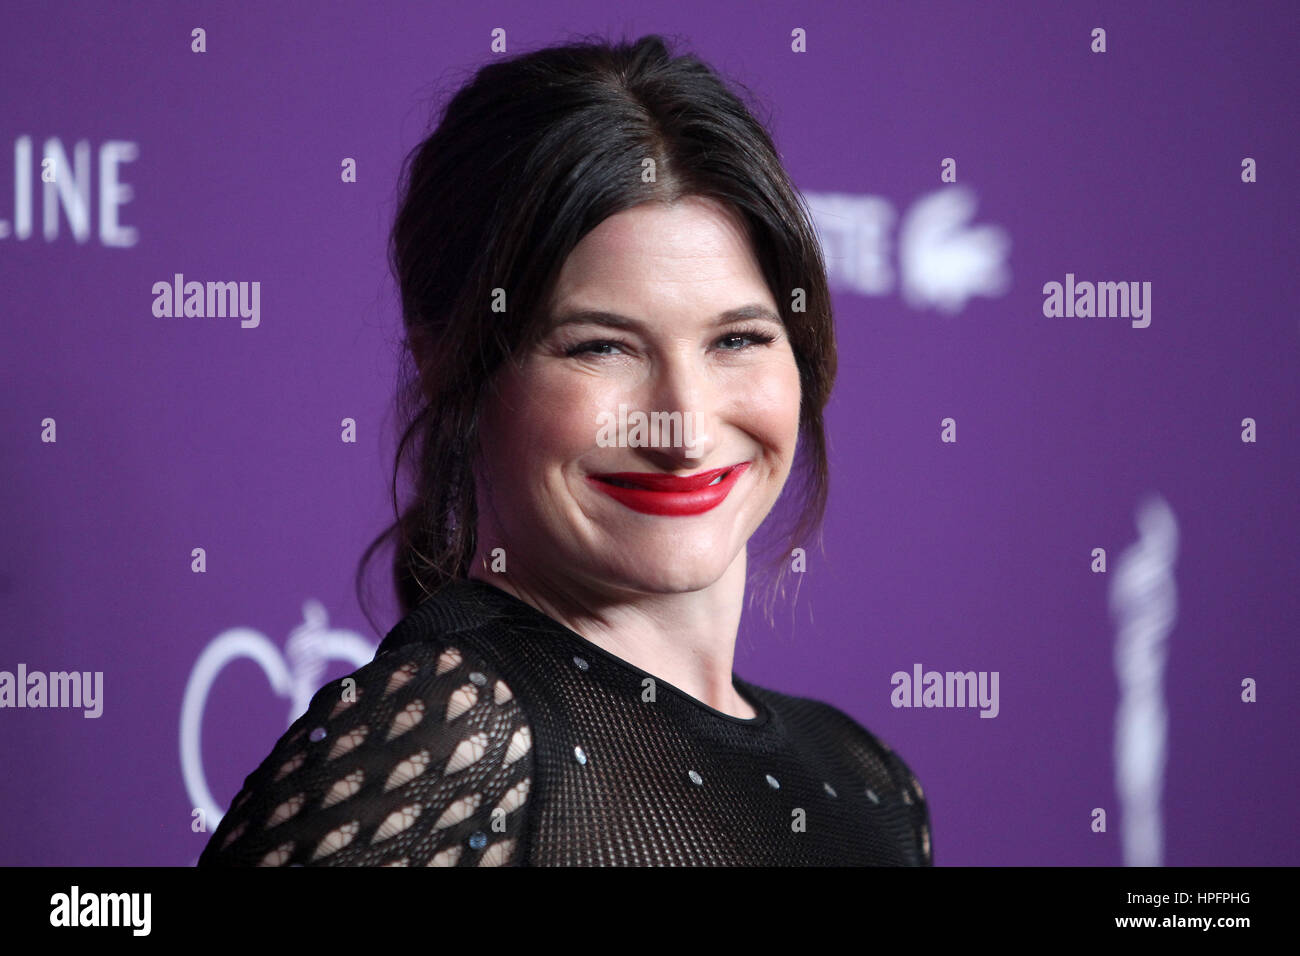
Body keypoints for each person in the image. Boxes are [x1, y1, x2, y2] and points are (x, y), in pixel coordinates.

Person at [198, 32, 932, 867]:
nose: (684, 431)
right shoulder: (453, 742)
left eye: (737, 340)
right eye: (600, 348)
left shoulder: (869, 785)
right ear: (450, 360)